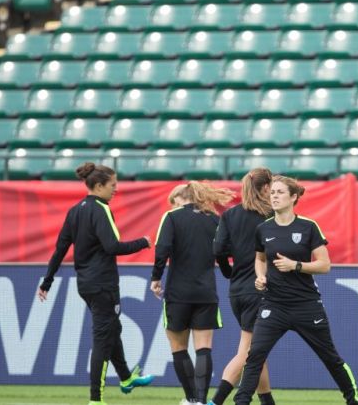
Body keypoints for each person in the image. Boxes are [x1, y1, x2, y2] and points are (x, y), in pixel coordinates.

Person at [233, 176, 358, 405]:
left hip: (306, 305)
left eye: (280, 192)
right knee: (254, 357)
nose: (274, 196)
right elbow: (260, 259)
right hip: (273, 305)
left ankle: (353, 400)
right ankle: (241, 401)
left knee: (330, 357)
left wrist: (296, 266)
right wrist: (260, 276)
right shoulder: (263, 229)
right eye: (272, 192)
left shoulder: (308, 227)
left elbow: (325, 265)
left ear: (293, 197)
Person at [37, 162, 154, 405]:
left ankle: (125, 378)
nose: (116, 189)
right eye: (113, 185)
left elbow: (60, 249)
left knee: (113, 330)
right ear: (99, 186)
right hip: (103, 284)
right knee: (103, 338)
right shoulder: (101, 209)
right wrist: (143, 242)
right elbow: (113, 246)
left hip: (86, 285)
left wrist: (47, 281)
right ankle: (96, 399)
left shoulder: (74, 211)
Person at [151, 181, 235, 405]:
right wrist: (229, 273)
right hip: (206, 292)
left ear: (180, 198)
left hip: (178, 293)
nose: (172, 206)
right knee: (203, 349)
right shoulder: (214, 220)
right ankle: (201, 399)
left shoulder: (171, 218)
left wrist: (156, 278)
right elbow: (223, 253)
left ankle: (190, 399)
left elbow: (162, 250)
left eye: (173, 202)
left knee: (178, 348)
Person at [209, 168, 276, 405]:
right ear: (266, 187)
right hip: (262, 289)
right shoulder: (272, 215)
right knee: (248, 352)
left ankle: (268, 402)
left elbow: (218, 250)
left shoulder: (230, 215)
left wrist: (229, 272)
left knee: (257, 351)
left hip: (237, 291)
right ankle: (214, 401)